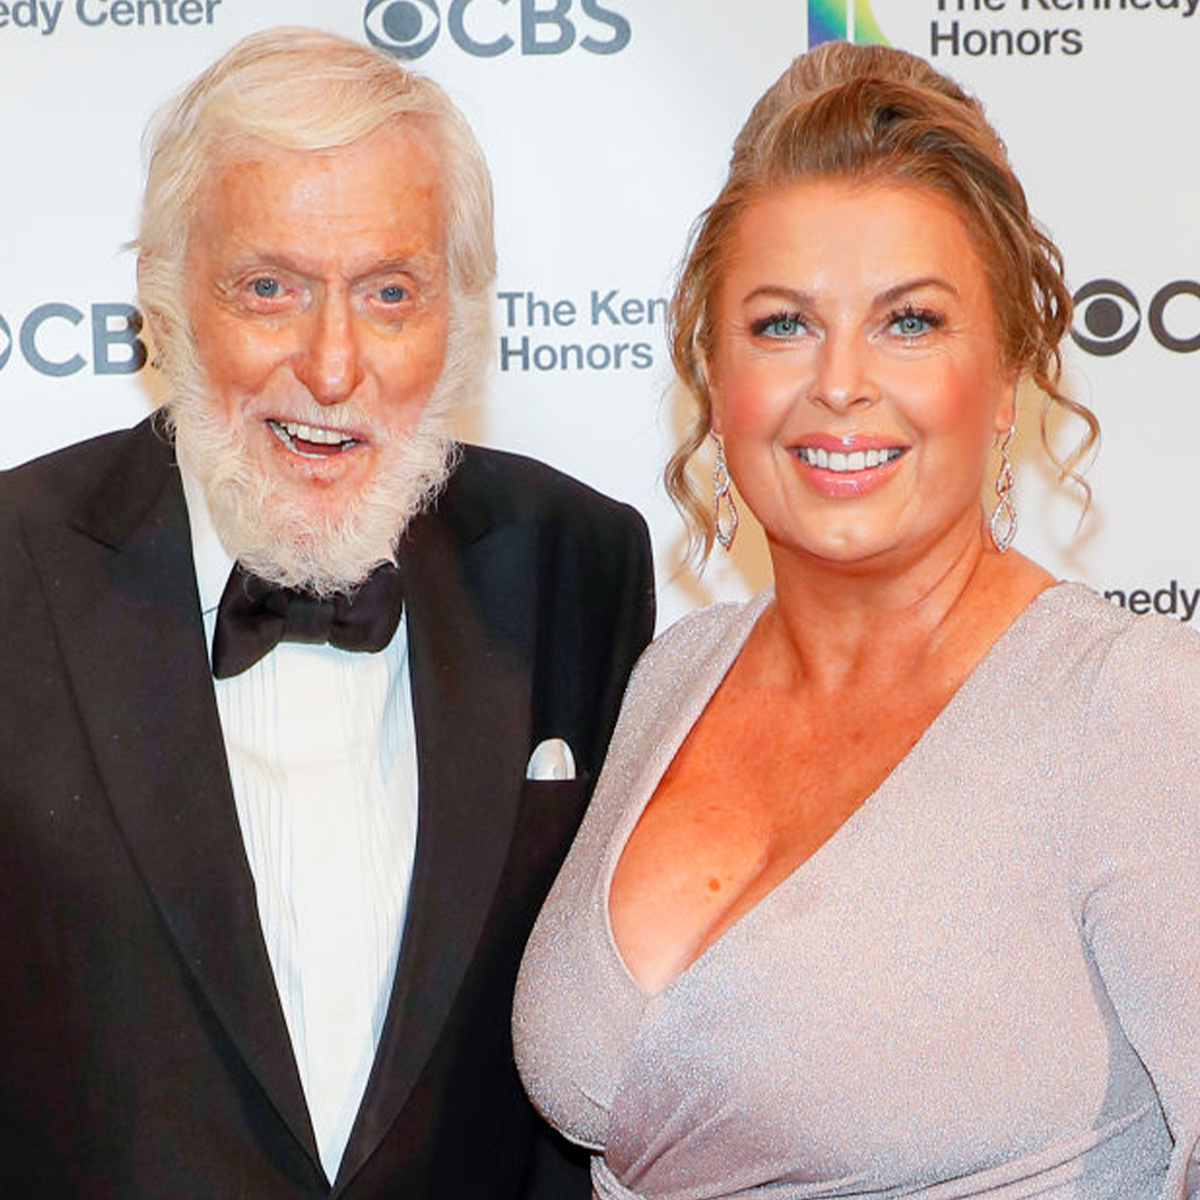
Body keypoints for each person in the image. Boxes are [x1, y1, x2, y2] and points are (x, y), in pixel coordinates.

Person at [514, 42, 1200, 1200]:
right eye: (782, 324)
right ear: (713, 374)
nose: (840, 382)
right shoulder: (676, 674)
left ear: (1008, 376)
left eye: (910, 321)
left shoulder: (1130, 705)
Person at [0, 27, 653, 1200]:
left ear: (460, 317)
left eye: (389, 294)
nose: (333, 363)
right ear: (162, 299)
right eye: (269, 288)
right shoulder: (12, 570)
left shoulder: (575, 564)